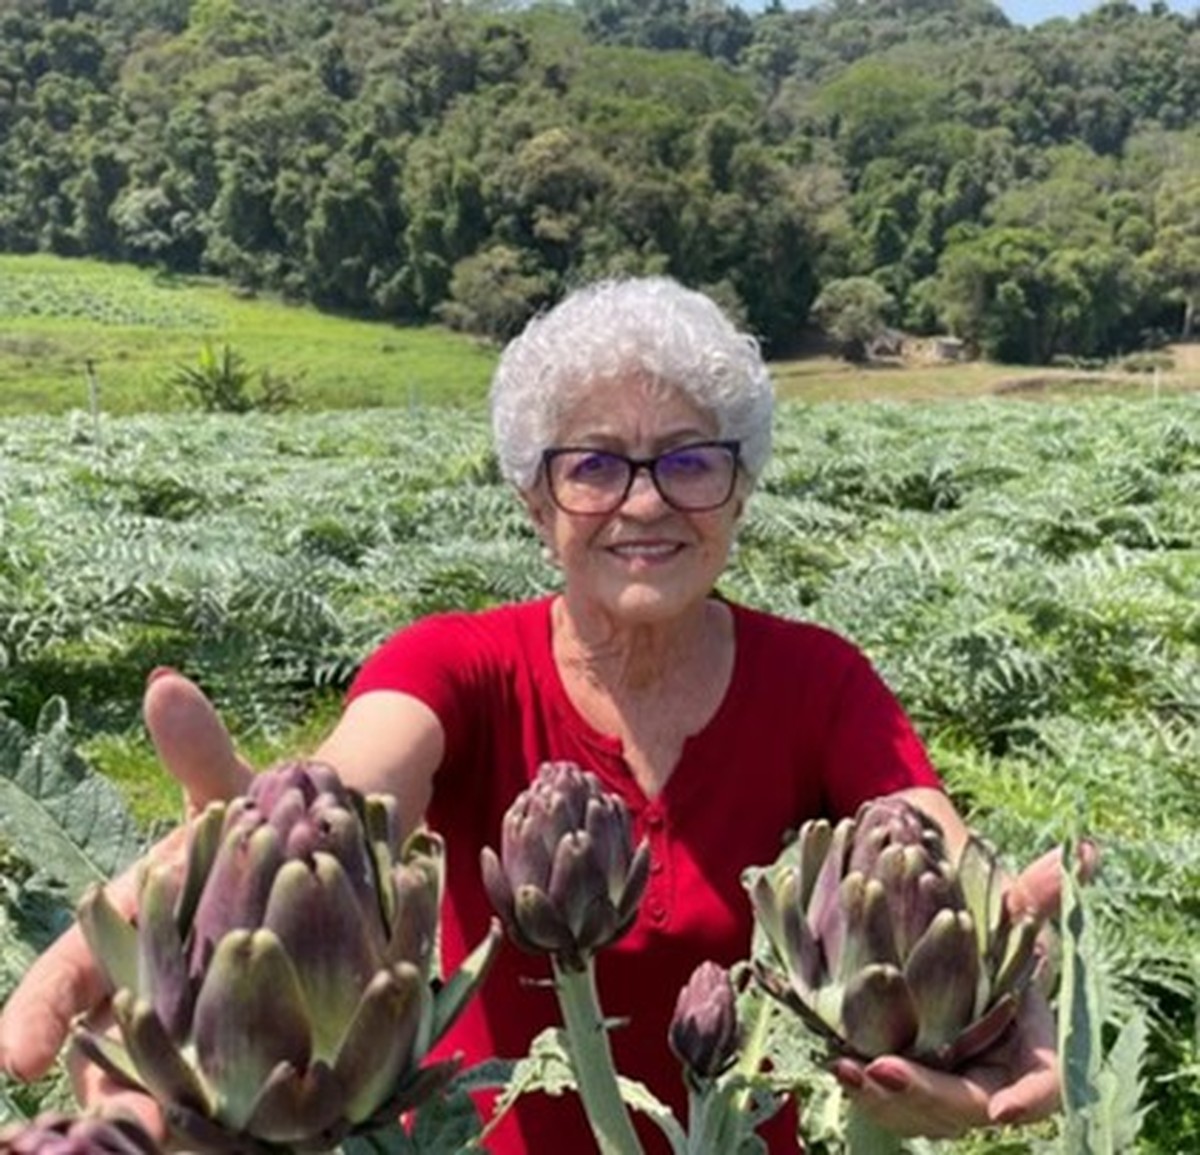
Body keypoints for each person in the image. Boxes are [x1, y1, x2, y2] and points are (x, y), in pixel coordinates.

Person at [0, 277, 1079, 1152]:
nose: (645, 501)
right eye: (594, 466)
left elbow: (922, 832)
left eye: (691, 462)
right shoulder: (459, 664)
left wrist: (992, 963)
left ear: (741, 492)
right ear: (535, 499)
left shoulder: (819, 679)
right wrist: (248, 880)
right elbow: (354, 787)